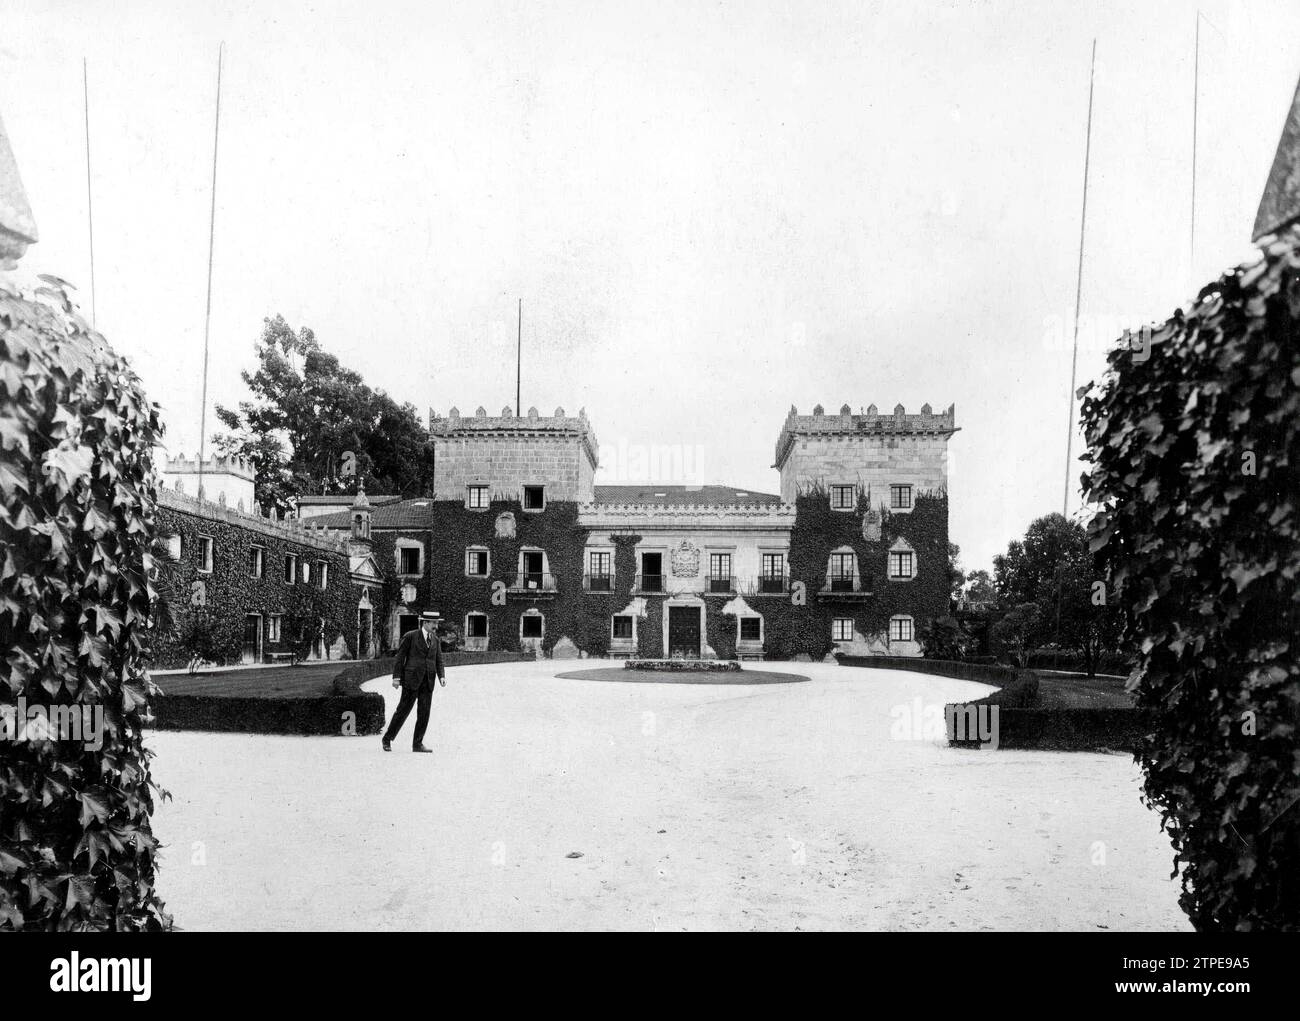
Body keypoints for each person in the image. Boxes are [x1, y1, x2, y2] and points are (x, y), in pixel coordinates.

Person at [382, 610, 446, 753]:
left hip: (428, 681)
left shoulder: (435, 640)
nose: (436, 626)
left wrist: (441, 676)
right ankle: (387, 739)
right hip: (411, 680)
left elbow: (438, 660)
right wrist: (396, 678)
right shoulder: (411, 636)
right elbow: (400, 658)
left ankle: (417, 744)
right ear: (426, 623)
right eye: (434, 623)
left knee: (424, 713)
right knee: (403, 711)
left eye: (437, 623)